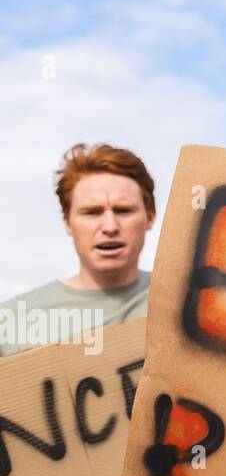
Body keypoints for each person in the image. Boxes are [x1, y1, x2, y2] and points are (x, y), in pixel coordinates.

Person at [0, 144, 155, 357]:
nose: (110, 227)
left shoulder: (189, 301)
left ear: (150, 217)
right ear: (68, 222)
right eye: (92, 212)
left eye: (123, 210)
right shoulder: (11, 322)